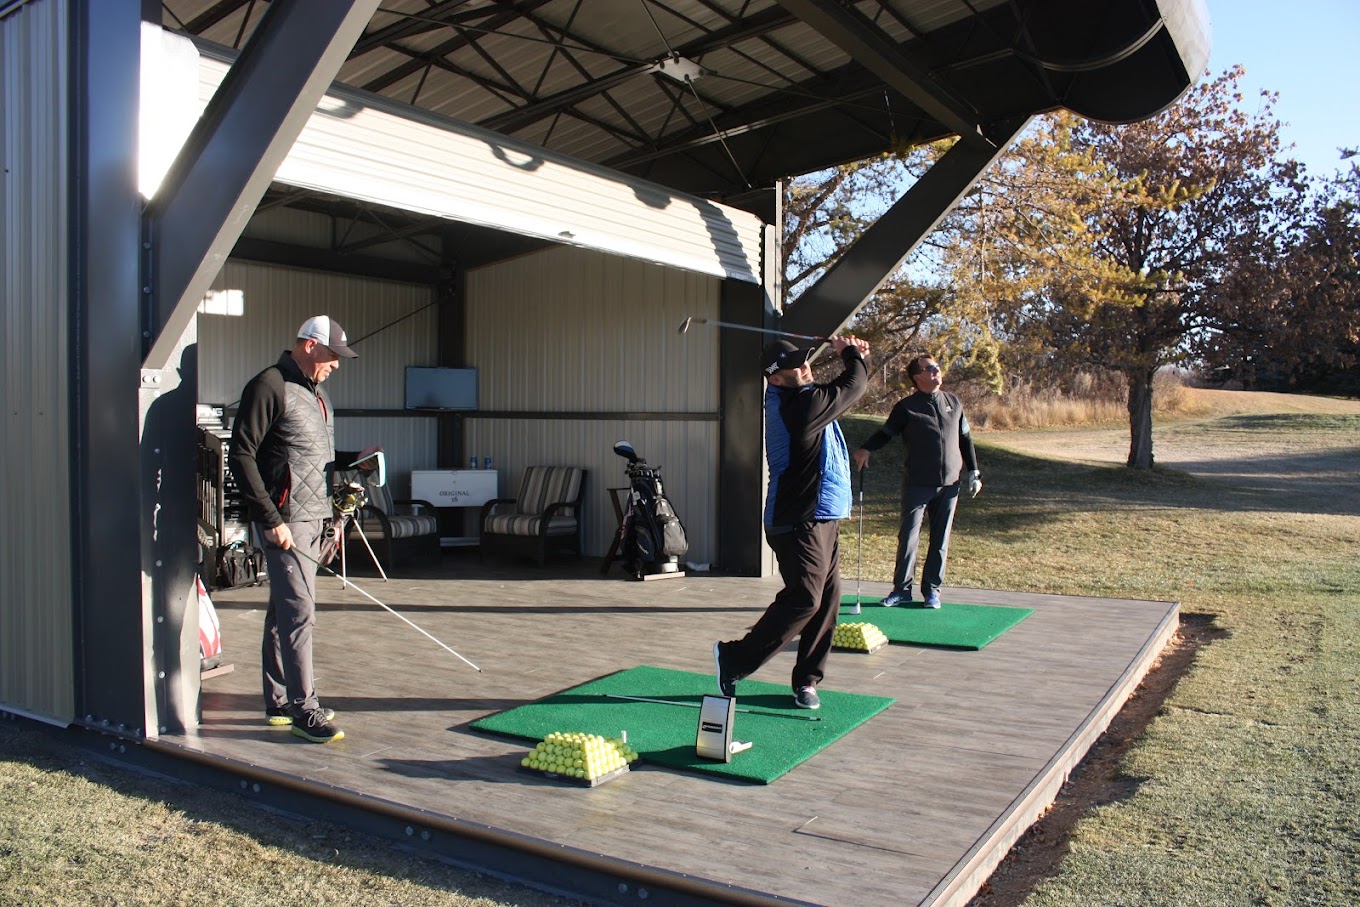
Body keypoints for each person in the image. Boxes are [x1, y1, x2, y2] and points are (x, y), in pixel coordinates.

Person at [229, 315, 376, 744]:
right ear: (310, 346)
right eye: (332, 355)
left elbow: (312, 455)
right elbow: (242, 455)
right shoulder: (268, 385)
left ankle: (279, 702)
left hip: (316, 517)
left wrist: (357, 458)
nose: (336, 364)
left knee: (283, 611)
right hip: (286, 519)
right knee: (300, 612)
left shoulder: (318, 393)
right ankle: (305, 711)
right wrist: (271, 520)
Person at [713, 334, 870, 710]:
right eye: (794, 366)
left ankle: (807, 681)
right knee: (804, 599)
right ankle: (734, 658)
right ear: (775, 378)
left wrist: (855, 357)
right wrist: (851, 354)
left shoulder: (803, 397)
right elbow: (854, 386)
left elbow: (845, 385)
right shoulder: (798, 406)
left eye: (804, 360)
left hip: (822, 516)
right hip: (796, 520)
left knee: (827, 600)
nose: (805, 367)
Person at [851, 354, 981, 610]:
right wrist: (866, 449)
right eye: (929, 368)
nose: (936, 371)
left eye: (937, 366)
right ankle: (902, 590)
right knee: (909, 537)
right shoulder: (906, 407)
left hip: (950, 484)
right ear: (917, 377)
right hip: (918, 483)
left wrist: (974, 471)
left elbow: (965, 438)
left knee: (940, 540)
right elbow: (886, 433)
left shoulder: (953, 402)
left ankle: (932, 591)